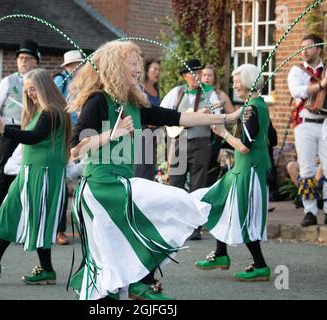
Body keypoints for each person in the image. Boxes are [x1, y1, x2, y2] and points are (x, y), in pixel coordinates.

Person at [67, 40, 249, 300]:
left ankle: (137, 285)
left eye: (139, 64)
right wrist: (113, 133)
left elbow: (181, 117)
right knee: (169, 203)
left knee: (112, 261)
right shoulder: (98, 101)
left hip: (120, 184)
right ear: (116, 67)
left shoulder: (136, 105)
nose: (138, 69)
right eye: (132, 64)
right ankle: (142, 284)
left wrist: (228, 118)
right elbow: (75, 150)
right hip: (100, 187)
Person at [0, 69, 71, 285]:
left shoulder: (52, 112)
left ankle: (46, 269)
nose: (30, 93)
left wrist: (6, 131)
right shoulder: (42, 111)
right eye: (27, 90)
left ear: (44, 87)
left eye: (33, 89)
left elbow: (34, 137)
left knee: (38, 220)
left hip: (43, 175)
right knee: (9, 211)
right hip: (30, 172)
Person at [193, 64, 271, 282]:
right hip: (244, 169)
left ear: (248, 82)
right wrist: (218, 118)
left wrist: (223, 133)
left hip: (248, 171)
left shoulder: (252, 109)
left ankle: (260, 265)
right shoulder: (255, 105)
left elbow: (244, 146)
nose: (234, 85)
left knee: (243, 216)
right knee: (218, 202)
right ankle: (220, 254)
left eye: (237, 81)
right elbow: (267, 137)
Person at [287, 34, 327, 226]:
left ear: (319, 49)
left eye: (308, 47)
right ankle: (310, 211)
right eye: (302, 47)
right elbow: (297, 91)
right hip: (305, 124)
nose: (304, 50)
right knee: (307, 168)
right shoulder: (297, 71)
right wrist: (322, 84)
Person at [161, 59, 223, 240]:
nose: (197, 76)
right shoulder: (176, 93)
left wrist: (208, 116)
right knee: (175, 184)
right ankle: (174, 223)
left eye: (199, 71)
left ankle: (195, 226)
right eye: (192, 72)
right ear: (185, 76)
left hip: (200, 143)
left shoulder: (210, 95)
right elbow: (162, 113)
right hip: (179, 142)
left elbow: (217, 118)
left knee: (198, 184)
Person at [0, 39, 40, 222]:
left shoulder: (40, 82)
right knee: (4, 171)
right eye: (20, 58)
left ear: (36, 61)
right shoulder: (8, 81)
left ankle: (21, 213)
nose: (23, 61)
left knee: (26, 170)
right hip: (10, 128)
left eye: (27, 58)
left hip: (31, 130)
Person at [53, 50, 84, 245]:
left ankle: (81, 219)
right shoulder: (60, 81)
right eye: (73, 65)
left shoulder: (85, 82)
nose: (77, 68)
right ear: (67, 67)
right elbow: (54, 104)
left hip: (84, 132)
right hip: (65, 133)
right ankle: (59, 229)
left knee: (82, 176)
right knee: (63, 181)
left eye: (79, 64)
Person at [134, 58, 161, 180]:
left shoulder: (157, 90)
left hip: (154, 134)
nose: (157, 72)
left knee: (151, 167)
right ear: (146, 71)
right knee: (141, 167)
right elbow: (135, 110)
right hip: (142, 132)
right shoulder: (139, 88)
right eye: (154, 69)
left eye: (159, 70)